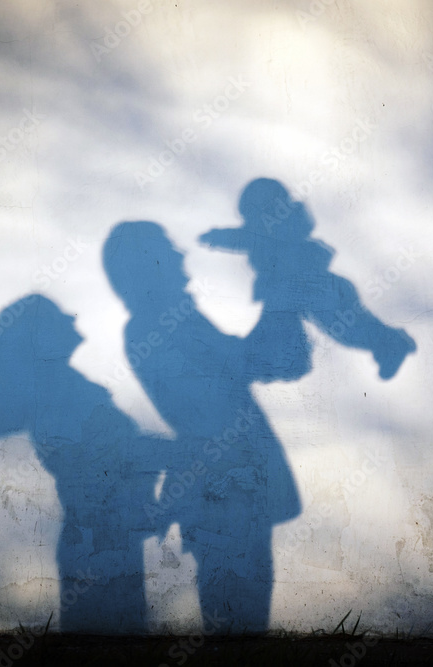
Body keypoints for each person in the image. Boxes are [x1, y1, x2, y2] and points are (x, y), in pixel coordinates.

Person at [102, 221, 303, 633]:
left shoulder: (173, 320)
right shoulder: (158, 324)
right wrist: (280, 288)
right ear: (144, 266)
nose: (179, 256)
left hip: (230, 482)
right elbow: (244, 364)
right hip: (224, 484)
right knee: (237, 628)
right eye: (166, 249)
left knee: (241, 624)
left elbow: (258, 361)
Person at [0, 294, 163, 633]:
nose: (73, 315)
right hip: (98, 538)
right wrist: (186, 451)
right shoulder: (60, 394)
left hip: (106, 537)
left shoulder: (64, 389)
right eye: (58, 315)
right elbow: (116, 452)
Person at [199, 177, 417, 379]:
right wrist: (218, 237)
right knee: (345, 329)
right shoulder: (271, 229)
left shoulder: (276, 228)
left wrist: (218, 237)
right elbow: (246, 237)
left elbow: (244, 237)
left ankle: (390, 343)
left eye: (251, 215)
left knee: (343, 329)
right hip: (311, 291)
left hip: (313, 289)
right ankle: (387, 344)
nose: (249, 223)